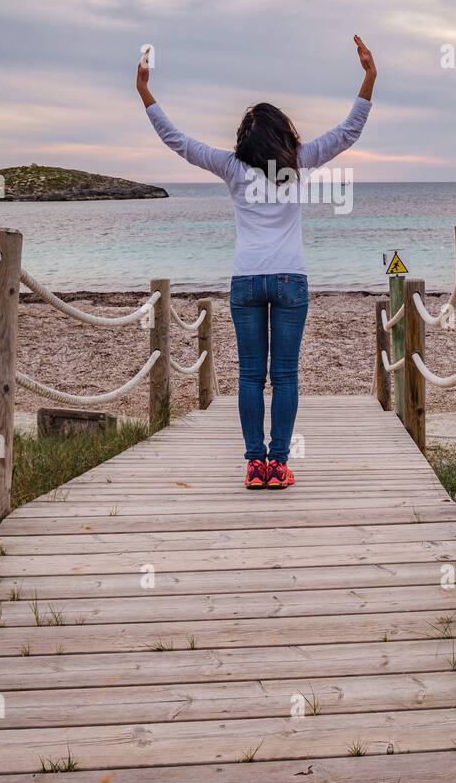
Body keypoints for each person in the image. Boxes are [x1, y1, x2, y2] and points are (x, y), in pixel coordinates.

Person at [136, 35, 376, 488]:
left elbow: (178, 142)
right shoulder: (298, 162)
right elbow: (348, 133)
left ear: (246, 137)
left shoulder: (231, 168)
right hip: (289, 278)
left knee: (251, 375)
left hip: (246, 280)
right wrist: (369, 78)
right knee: (284, 375)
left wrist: (145, 93)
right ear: (283, 133)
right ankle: (278, 464)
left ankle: (253, 465)